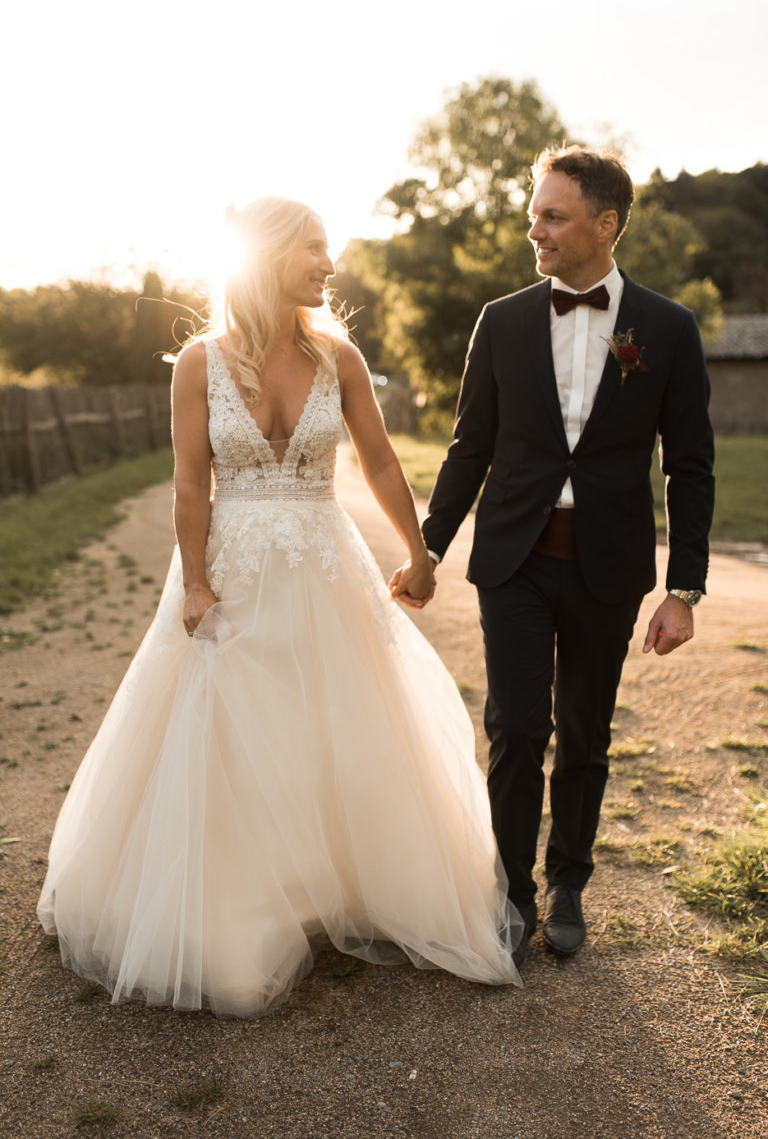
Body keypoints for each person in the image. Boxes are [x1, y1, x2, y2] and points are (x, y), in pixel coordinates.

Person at [37, 197, 523, 1016]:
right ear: (265, 256)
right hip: (230, 568)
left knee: (338, 721)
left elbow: (377, 461)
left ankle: (340, 882)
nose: (330, 263)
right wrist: (195, 582)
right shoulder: (197, 361)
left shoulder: (340, 358)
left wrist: (418, 550)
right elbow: (192, 482)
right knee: (224, 736)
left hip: (324, 563)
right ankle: (236, 908)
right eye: (314, 247)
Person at [393, 147, 715, 967]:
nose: (533, 229)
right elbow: (470, 447)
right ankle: (510, 894)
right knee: (514, 728)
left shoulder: (668, 329)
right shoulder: (500, 320)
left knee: (585, 734)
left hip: (608, 567)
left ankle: (568, 881)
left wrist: (684, 587)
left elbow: (690, 462)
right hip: (516, 560)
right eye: (536, 212)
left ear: (605, 225)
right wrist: (427, 547)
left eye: (553, 216)